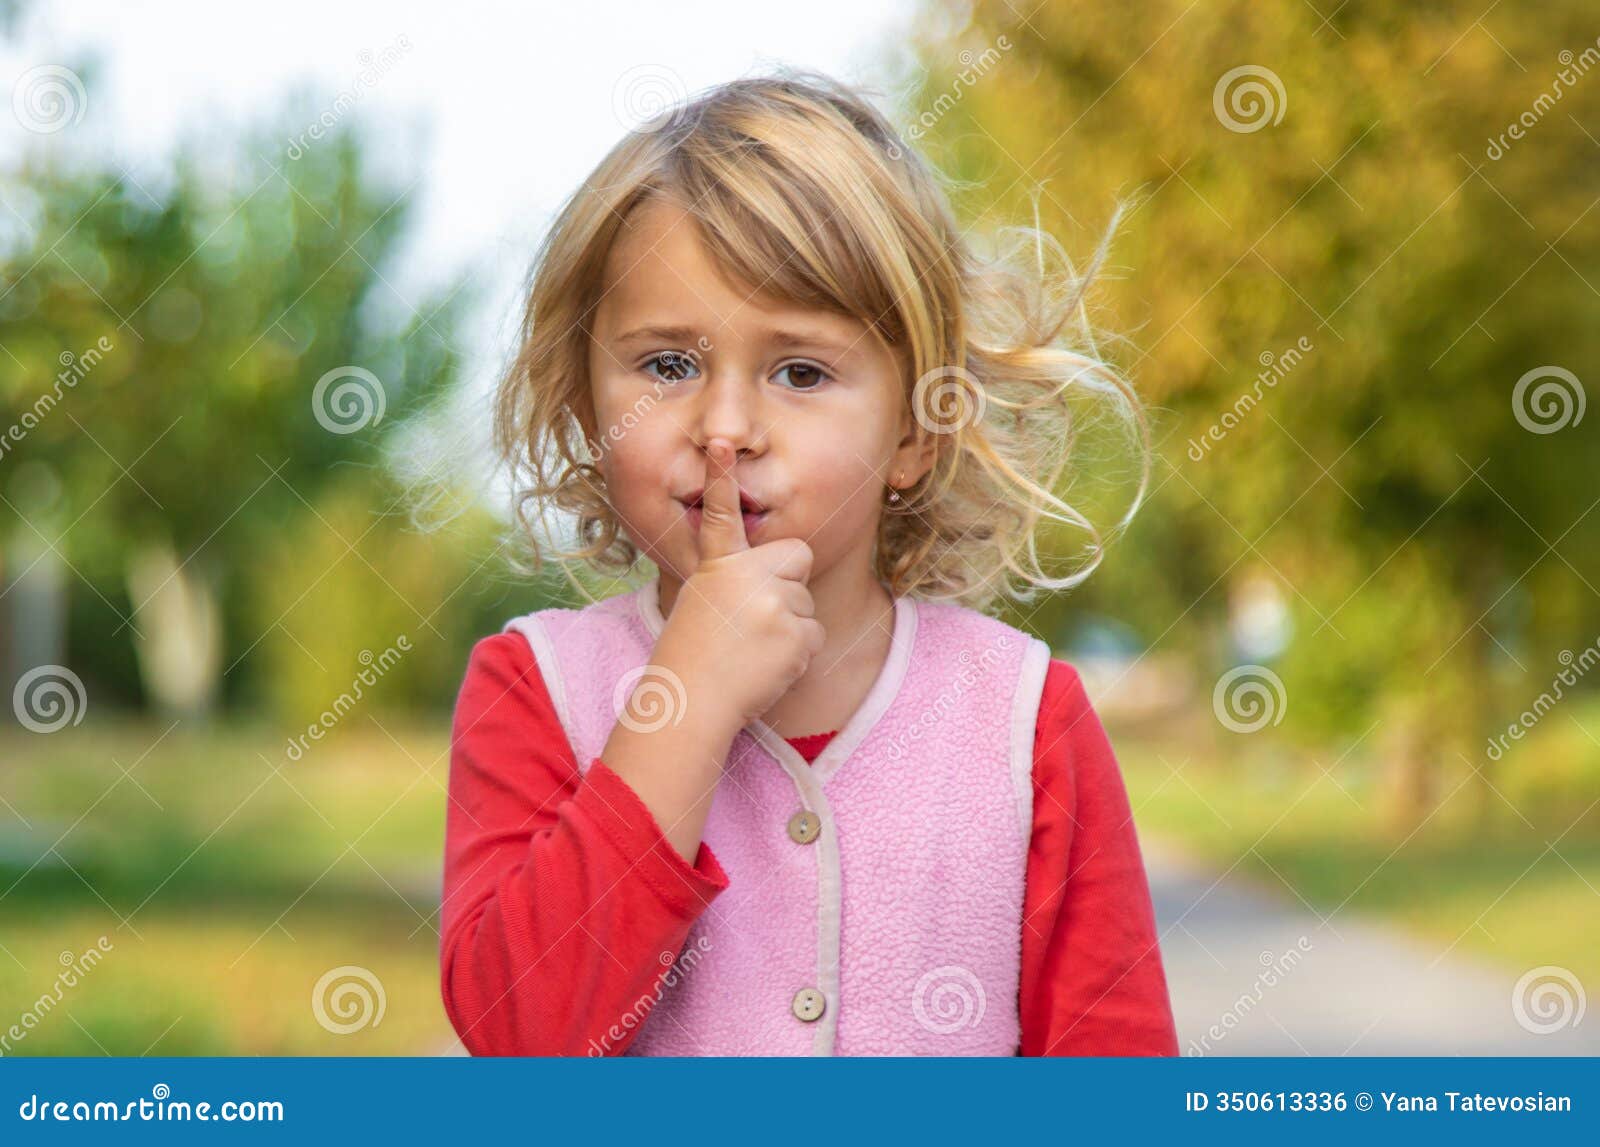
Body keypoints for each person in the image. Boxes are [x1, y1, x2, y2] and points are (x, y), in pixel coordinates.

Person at [439, 69, 1177, 1056]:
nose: (727, 427)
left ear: (918, 430)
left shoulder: (1024, 722)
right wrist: (686, 701)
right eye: (667, 365)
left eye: (800, 372)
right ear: (583, 403)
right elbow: (518, 1034)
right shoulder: (536, 688)